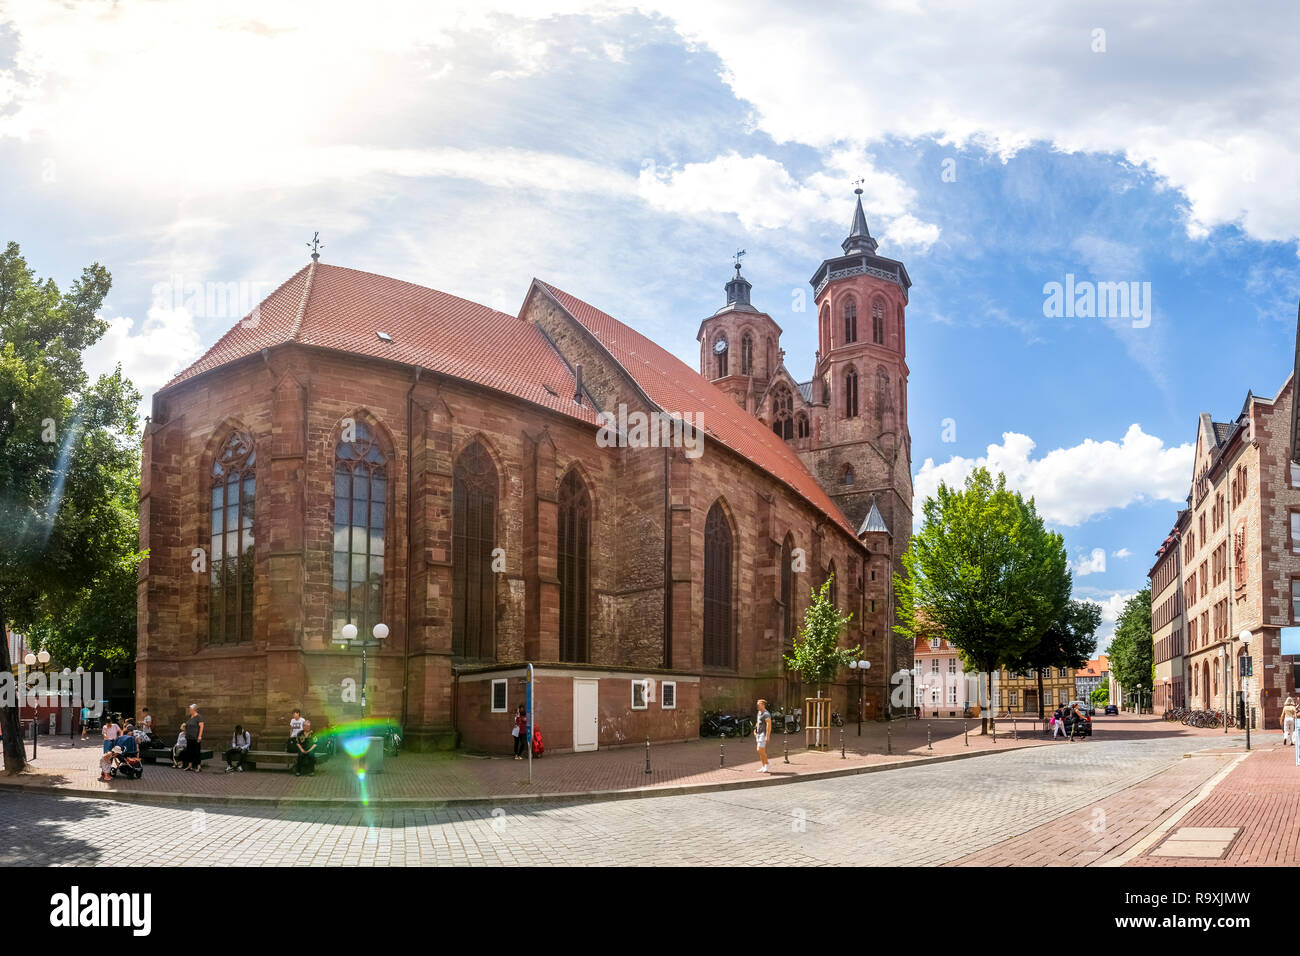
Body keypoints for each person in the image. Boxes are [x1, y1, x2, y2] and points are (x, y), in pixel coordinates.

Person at [182, 703, 204, 772]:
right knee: (190, 752)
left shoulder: (198, 717)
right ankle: (190, 766)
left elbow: (201, 727)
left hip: (195, 737)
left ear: (194, 710)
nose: (189, 710)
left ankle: (198, 767)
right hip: (189, 737)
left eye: (190, 709)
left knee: (196, 752)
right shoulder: (190, 716)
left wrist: (199, 736)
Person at [754, 698, 773, 773]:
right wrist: (755, 729)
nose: (757, 705)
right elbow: (758, 722)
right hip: (758, 733)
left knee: (760, 749)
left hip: (763, 734)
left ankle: (767, 764)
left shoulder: (766, 714)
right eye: (757, 704)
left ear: (763, 705)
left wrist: (767, 736)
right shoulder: (759, 712)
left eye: (759, 704)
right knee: (760, 751)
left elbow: (769, 725)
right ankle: (763, 766)